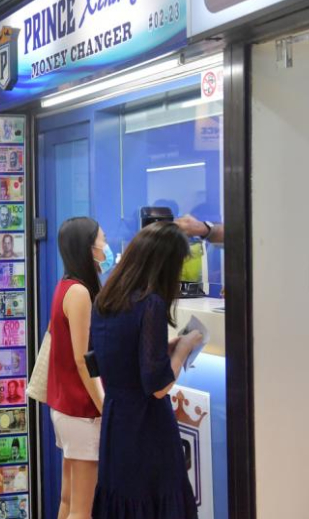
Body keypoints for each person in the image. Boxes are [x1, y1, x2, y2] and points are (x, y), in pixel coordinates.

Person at [91, 221, 203, 519]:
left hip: (117, 421)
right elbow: (158, 386)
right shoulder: (150, 302)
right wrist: (184, 346)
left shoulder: (106, 299)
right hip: (147, 427)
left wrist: (165, 349)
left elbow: (122, 358)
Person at [44, 217, 108, 519]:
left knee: (68, 501)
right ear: (88, 247)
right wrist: (104, 407)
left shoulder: (65, 287)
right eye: (102, 241)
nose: (105, 248)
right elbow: (84, 360)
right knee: (83, 509)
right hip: (82, 410)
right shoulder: (81, 293)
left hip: (64, 406)